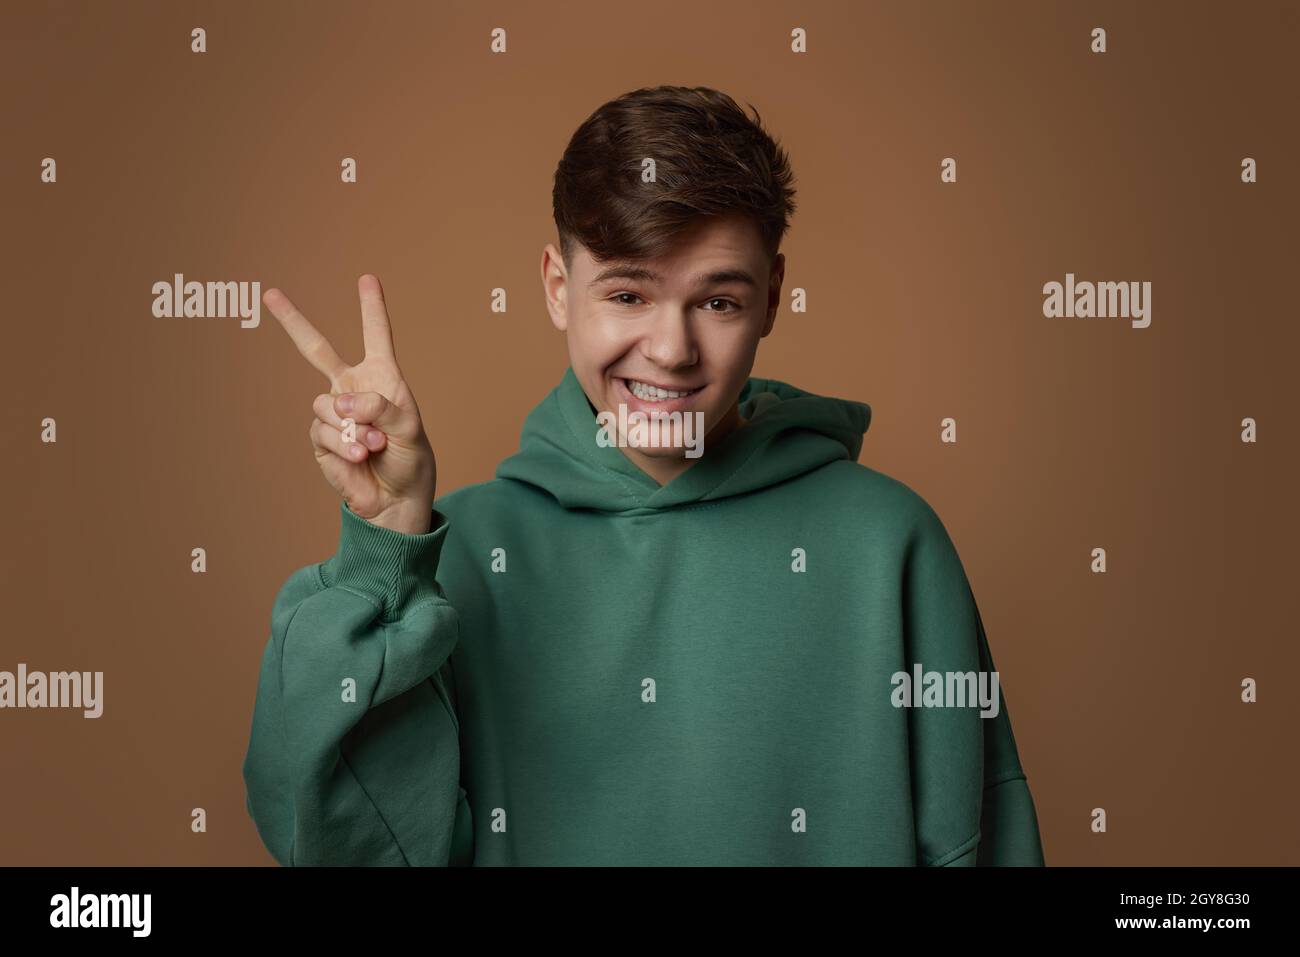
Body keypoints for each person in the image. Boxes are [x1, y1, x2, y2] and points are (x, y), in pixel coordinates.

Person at [241, 85, 1045, 866]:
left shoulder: (888, 542)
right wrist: (385, 548)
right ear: (559, 288)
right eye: (628, 292)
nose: (671, 349)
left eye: (719, 303)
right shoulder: (461, 552)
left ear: (772, 298)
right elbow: (326, 834)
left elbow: (981, 835)